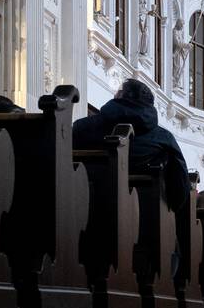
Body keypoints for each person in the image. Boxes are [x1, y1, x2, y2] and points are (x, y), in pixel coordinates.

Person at [73, 79, 189, 215]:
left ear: (119, 96)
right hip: (145, 215)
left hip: (84, 210)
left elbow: (65, 165)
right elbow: (180, 189)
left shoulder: (83, 127)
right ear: (149, 105)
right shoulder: (164, 139)